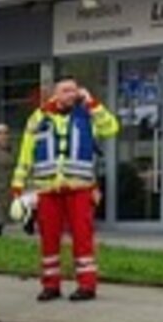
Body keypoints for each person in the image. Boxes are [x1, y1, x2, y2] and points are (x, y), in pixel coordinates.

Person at [13, 80, 119, 301]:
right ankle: (50, 285)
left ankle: (87, 286)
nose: (71, 94)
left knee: (83, 237)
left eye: (74, 90)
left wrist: (92, 103)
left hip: (79, 187)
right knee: (48, 239)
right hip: (47, 189)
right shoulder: (39, 117)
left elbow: (111, 128)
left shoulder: (88, 114)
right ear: (55, 95)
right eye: (65, 90)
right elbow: (26, 151)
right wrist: (18, 183)